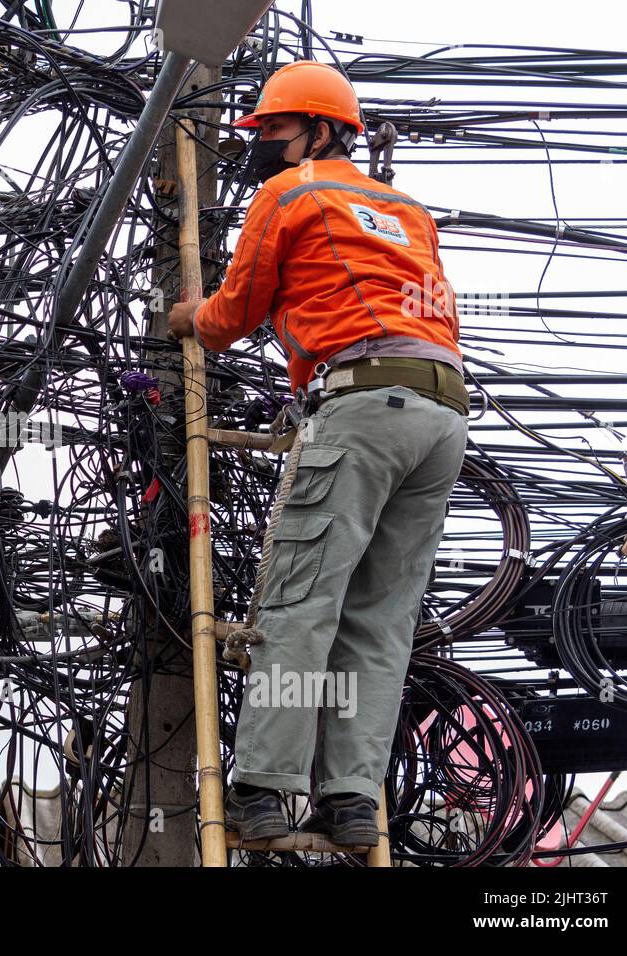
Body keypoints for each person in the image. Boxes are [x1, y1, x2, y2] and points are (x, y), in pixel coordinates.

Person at [166, 60, 469, 846]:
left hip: (365, 403)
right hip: (441, 417)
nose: (262, 141)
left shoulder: (290, 192)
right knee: (379, 621)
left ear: (324, 131)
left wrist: (187, 317)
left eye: (275, 126)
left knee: (301, 605)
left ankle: (264, 790)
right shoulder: (406, 210)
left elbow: (234, 312)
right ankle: (351, 803)